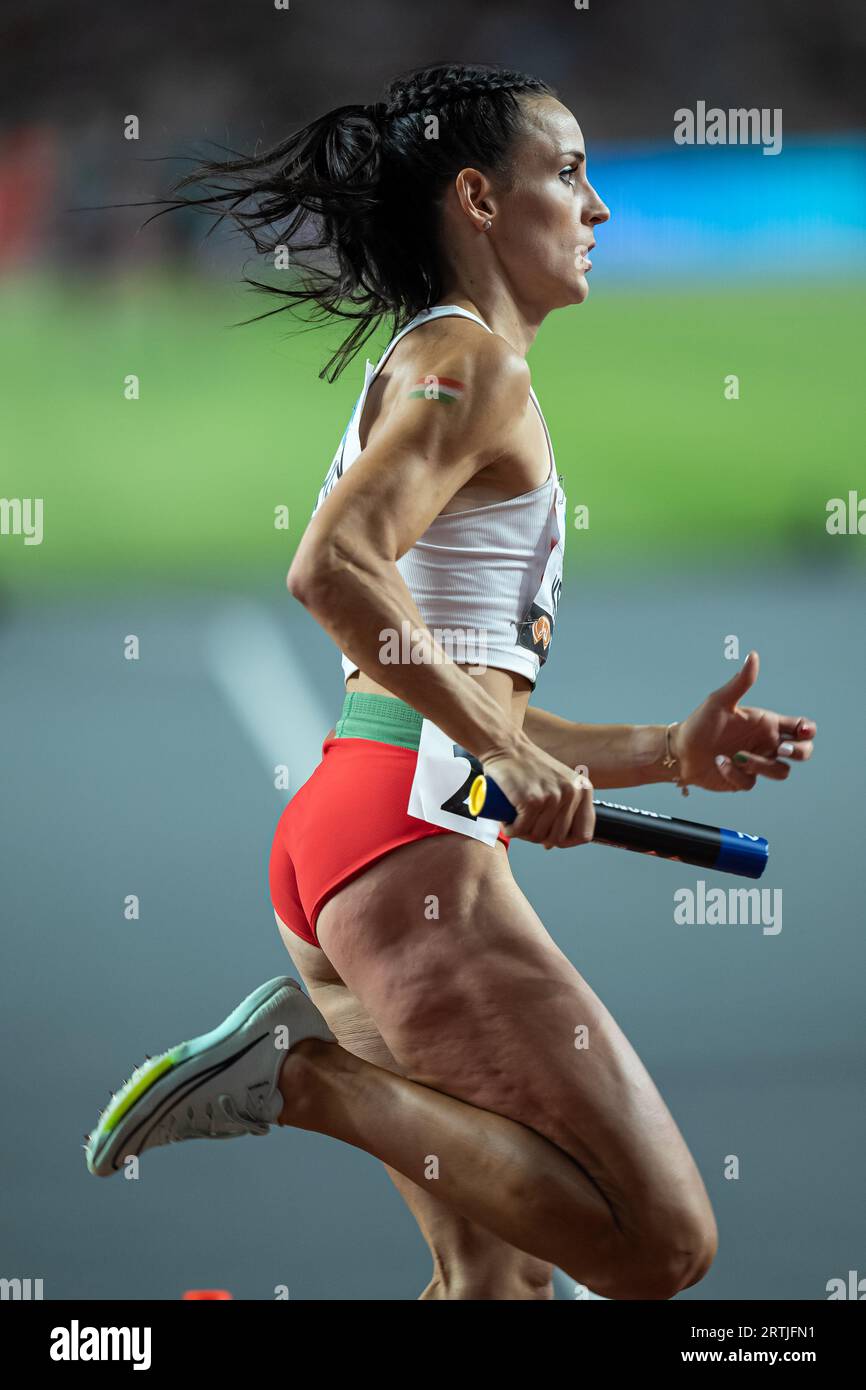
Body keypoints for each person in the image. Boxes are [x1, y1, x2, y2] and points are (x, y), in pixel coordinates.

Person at [85, 62, 816, 1301]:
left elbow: (471, 706)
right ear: (478, 197)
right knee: (661, 1242)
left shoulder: (441, 359)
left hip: (360, 827)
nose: (598, 208)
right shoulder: (472, 365)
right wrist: (504, 747)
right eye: (569, 173)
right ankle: (296, 1077)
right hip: (406, 850)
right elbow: (331, 569)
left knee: (496, 1292)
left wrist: (663, 750)